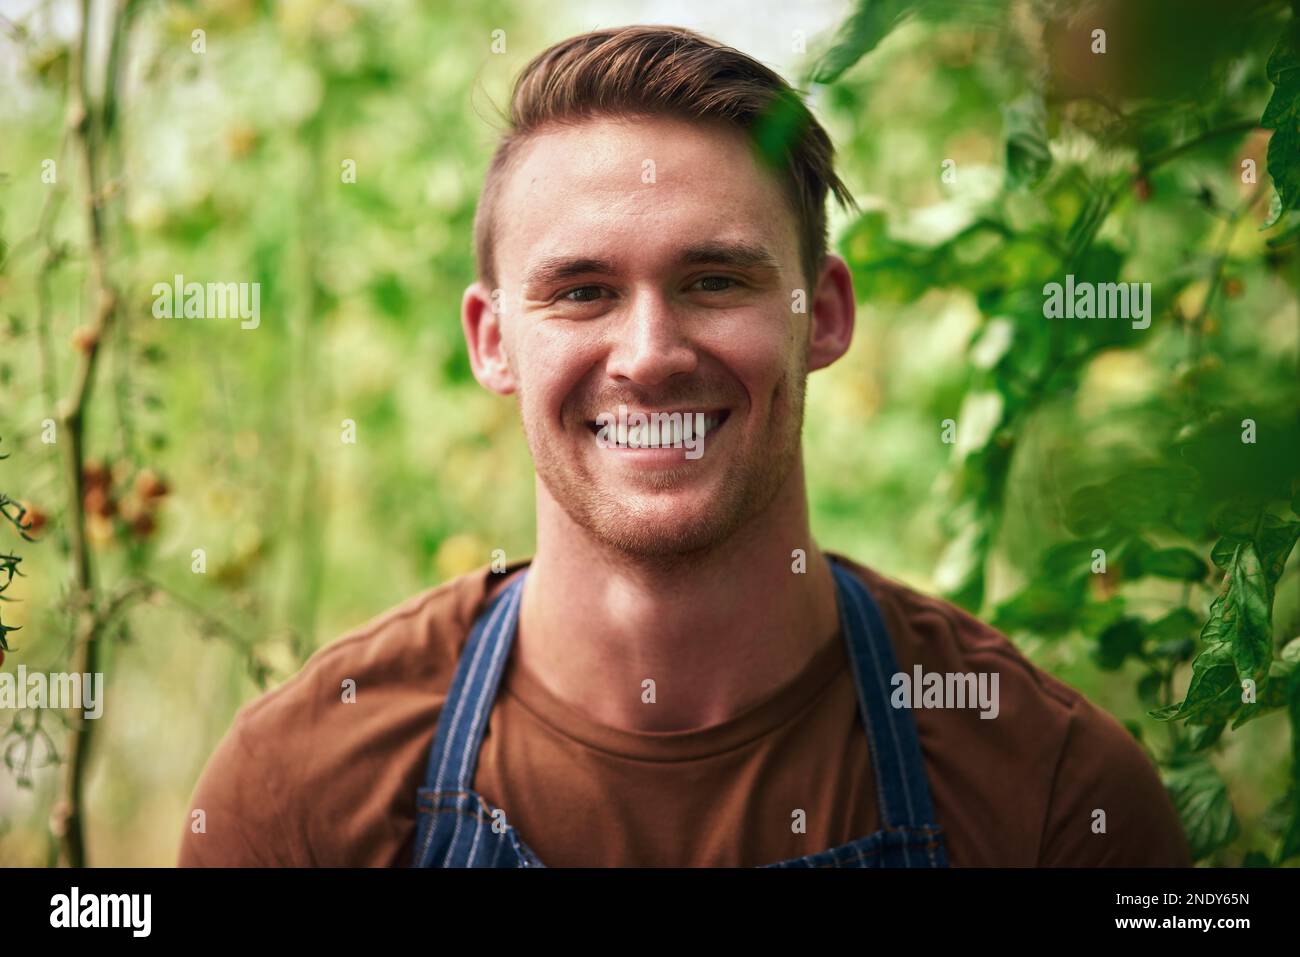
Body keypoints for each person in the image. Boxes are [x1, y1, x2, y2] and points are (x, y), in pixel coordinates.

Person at [178, 25, 1191, 868]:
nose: (650, 355)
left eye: (714, 280)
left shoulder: (1050, 795)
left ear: (823, 315)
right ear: (493, 344)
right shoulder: (299, 796)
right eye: (582, 292)